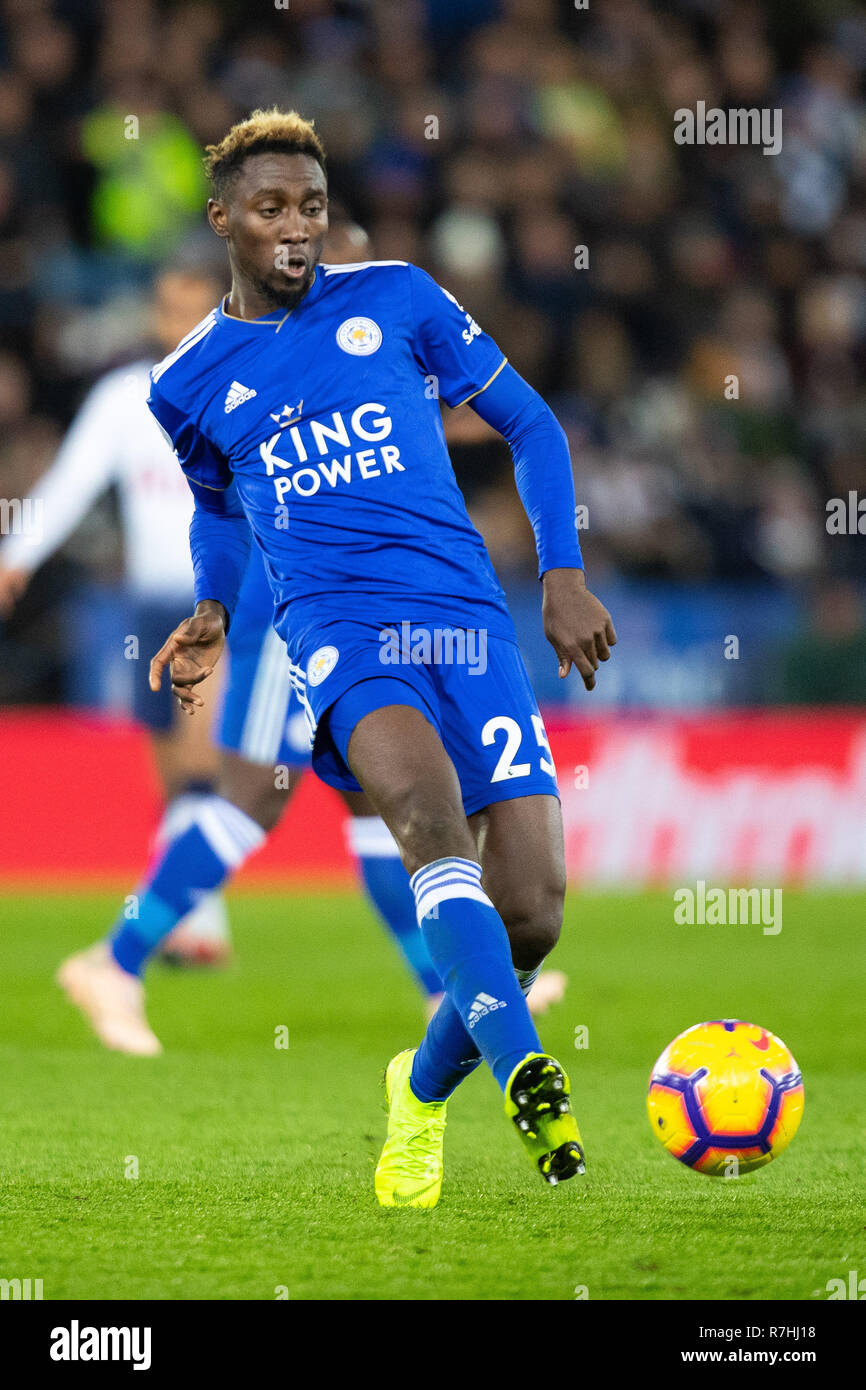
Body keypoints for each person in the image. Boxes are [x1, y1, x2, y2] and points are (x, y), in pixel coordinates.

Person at [148, 108, 615, 1206]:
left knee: (533, 911)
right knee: (423, 817)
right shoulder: (188, 382)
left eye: (311, 205)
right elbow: (215, 511)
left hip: (466, 624)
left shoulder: (399, 299)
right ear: (223, 219)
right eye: (270, 208)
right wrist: (215, 603)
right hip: (341, 633)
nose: (297, 228)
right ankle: (524, 1075)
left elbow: (531, 424)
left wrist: (559, 571)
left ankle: (421, 1085)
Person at [56, 220, 567, 1057]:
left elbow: (425, 427)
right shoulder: (222, 370)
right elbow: (226, 499)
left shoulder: (365, 351)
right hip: (278, 623)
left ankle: (448, 985)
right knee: (255, 797)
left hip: (361, 622)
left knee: (380, 811)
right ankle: (116, 960)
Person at [0, 265, 232, 960]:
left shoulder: (244, 394)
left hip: (214, 606)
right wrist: (17, 553)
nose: (182, 322)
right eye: (171, 309)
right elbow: (72, 479)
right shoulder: (125, 398)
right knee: (170, 773)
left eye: (197, 309)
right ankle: (188, 914)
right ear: (157, 318)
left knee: (200, 765)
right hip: (147, 602)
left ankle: (196, 925)